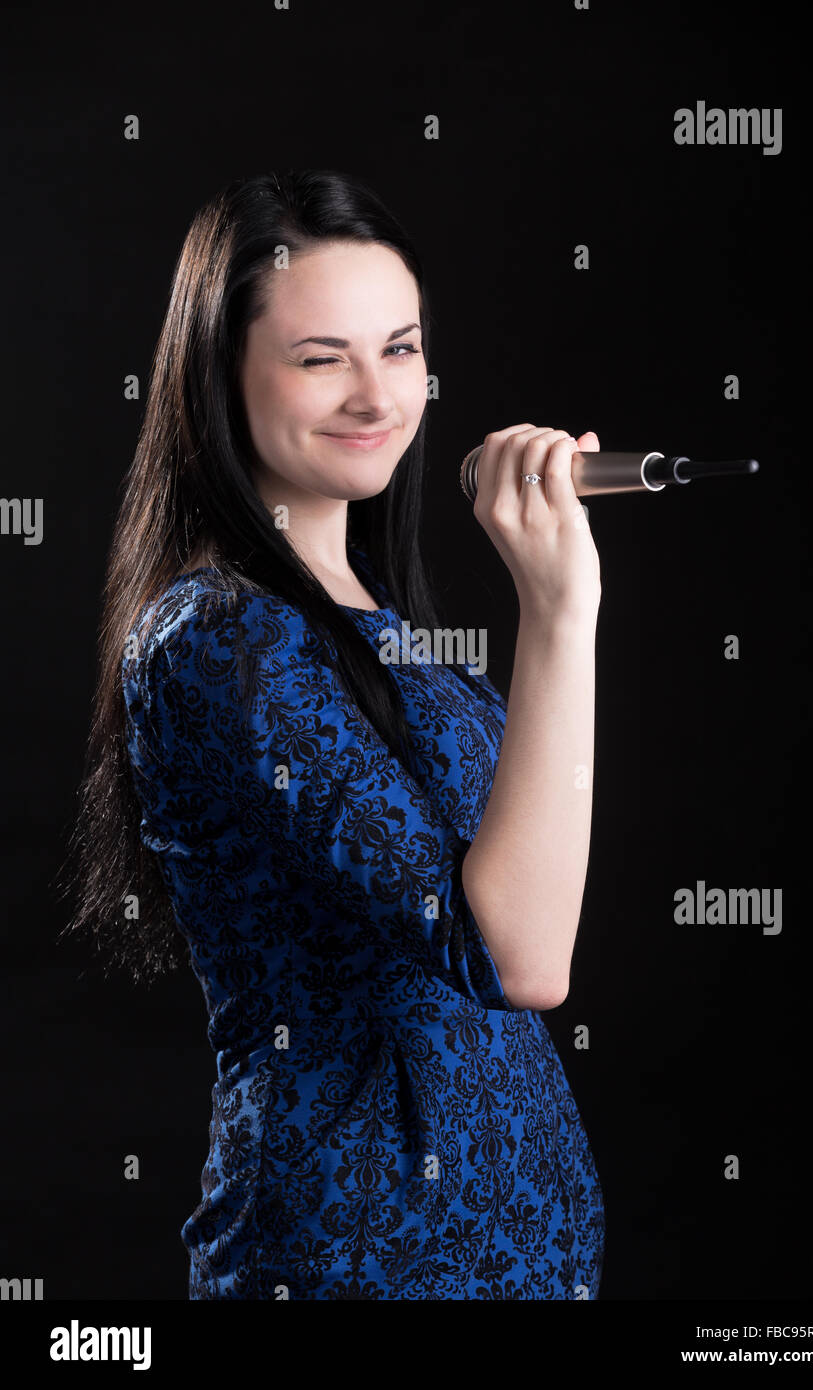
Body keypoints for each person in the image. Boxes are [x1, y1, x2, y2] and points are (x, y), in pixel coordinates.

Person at [61, 168, 605, 1299]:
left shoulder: (379, 625)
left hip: (523, 1260)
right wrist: (558, 612)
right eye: (322, 358)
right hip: (356, 1261)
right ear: (220, 375)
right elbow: (519, 955)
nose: (376, 396)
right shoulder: (216, 640)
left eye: (398, 349)